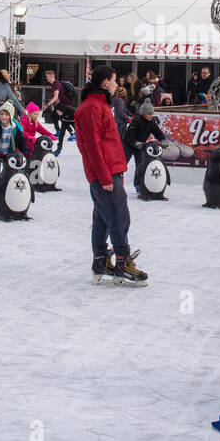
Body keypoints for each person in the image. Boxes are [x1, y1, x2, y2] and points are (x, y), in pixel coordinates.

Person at [74, 65, 147, 285]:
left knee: (103, 219)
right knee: (118, 216)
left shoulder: (100, 105)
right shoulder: (91, 108)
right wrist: (105, 177)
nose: (117, 84)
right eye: (114, 80)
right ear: (105, 82)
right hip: (104, 173)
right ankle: (123, 262)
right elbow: (92, 146)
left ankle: (101, 261)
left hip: (111, 169)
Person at [0, 104, 31, 215]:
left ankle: (8, 199)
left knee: (8, 178)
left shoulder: (15, 128)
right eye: (1, 114)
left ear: (10, 116)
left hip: (9, 157)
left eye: (6, 114)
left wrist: (26, 151)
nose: (3, 117)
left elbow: (22, 140)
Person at [123, 100, 168, 194]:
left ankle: (138, 185)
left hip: (140, 146)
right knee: (122, 164)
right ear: (143, 113)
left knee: (140, 166)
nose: (151, 116)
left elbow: (157, 132)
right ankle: (116, 182)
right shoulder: (136, 121)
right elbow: (128, 135)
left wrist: (163, 140)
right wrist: (135, 142)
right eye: (148, 114)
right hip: (129, 145)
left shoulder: (151, 122)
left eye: (152, 114)